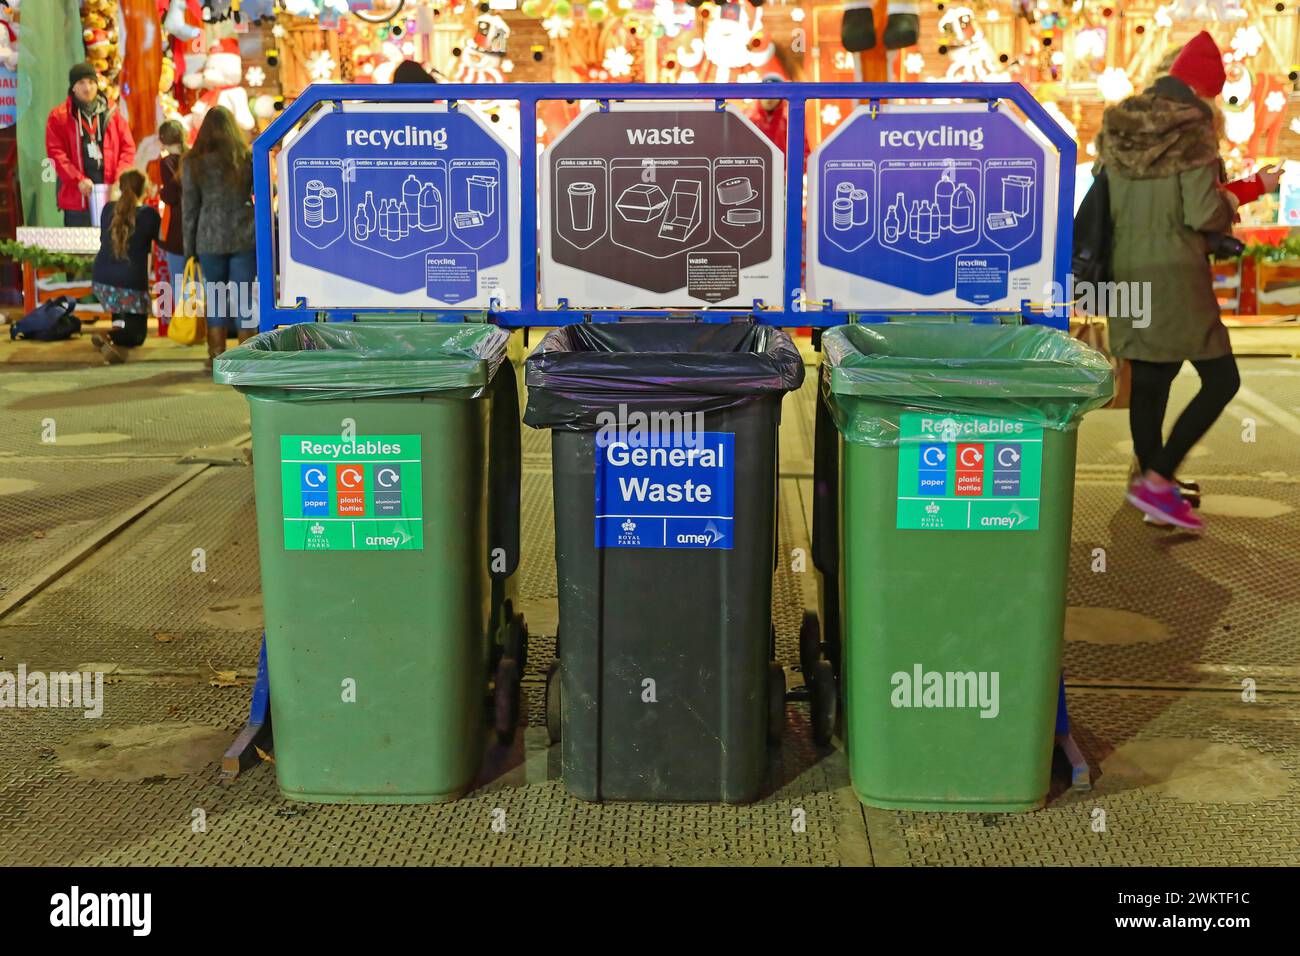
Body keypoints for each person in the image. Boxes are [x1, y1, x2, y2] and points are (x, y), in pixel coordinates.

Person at [1098, 31, 1278, 532]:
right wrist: (1244, 194)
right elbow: (1202, 211)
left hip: (1126, 270)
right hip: (1175, 272)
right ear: (1203, 91)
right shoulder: (1193, 128)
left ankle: (1152, 485)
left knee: (1151, 380)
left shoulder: (1120, 122)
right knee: (1223, 379)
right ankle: (1157, 479)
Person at [182, 106, 257, 367]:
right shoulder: (245, 156)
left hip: (208, 236)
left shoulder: (193, 161)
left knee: (215, 296)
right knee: (244, 296)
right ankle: (248, 356)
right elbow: (265, 190)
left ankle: (217, 355)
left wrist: (189, 248)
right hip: (244, 233)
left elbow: (189, 208)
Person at [45, 62, 136, 227]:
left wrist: (119, 179)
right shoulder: (58, 117)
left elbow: (128, 149)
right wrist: (77, 180)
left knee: (110, 249)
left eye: (91, 82)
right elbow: (56, 153)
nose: (88, 88)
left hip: (111, 195)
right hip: (77, 198)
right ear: (73, 87)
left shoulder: (113, 114)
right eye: (81, 83)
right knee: (78, 250)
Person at [89, 169, 161, 364]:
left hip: (102, 281)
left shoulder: (107, 209)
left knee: (122, 311)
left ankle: (113, 338)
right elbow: (162, 242)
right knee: (137, 337)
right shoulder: (149, 215)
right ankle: (110, 336)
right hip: (131, 284)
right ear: (144, 190)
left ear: (120, 188)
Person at [156, 120, 189, 312]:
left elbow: (171, 194)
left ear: (163, 140)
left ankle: (184, 325)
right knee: (195, 280)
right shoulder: (192, 157)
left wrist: (161, 193)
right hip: (195, 225)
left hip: (175, 227)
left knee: (178, 279)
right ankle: (199, 324)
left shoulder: (167, 162)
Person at [748, 73, 811, 167]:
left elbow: (804, 154)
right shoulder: (749, 121)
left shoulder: (791, 122)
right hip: (757, 174)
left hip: (783, 178)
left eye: (775, 93)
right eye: (765, 92)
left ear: (781, 97)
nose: (769, 98)